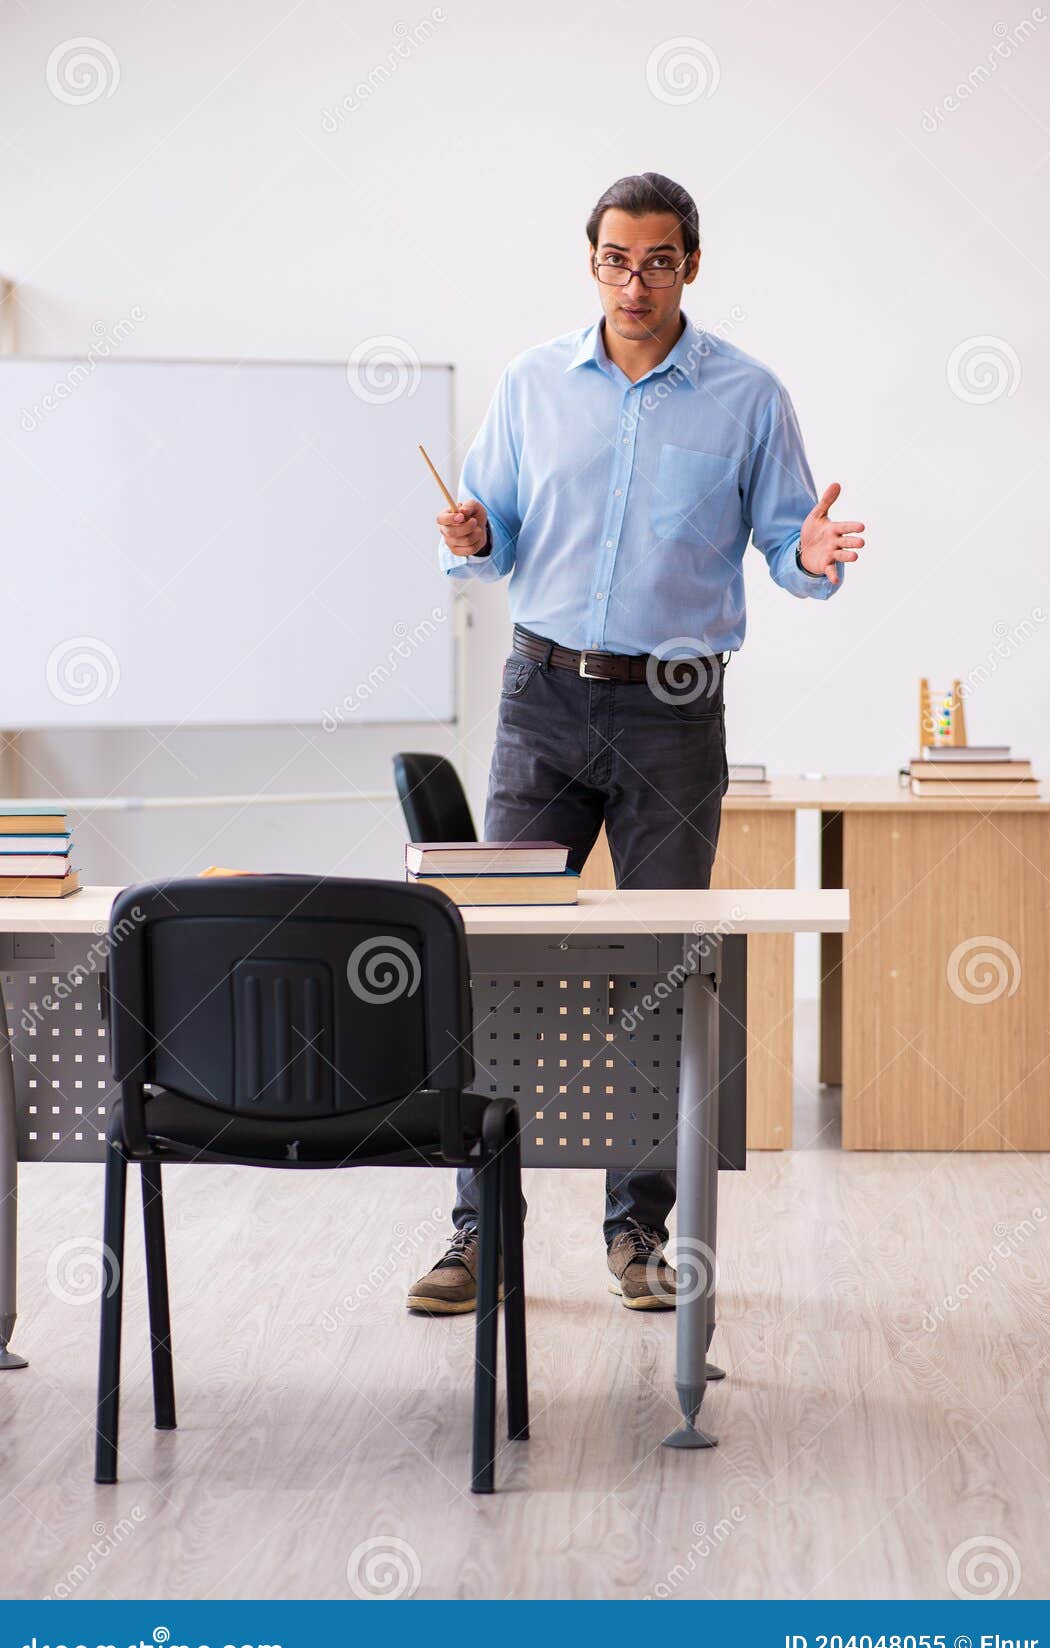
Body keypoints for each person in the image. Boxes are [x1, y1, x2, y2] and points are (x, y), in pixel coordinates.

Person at [406, 171, 864, 1317]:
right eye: (616, 258)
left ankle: (639, 1233)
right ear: (591, 262)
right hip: (542, 699)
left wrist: (812, 553)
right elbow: (489, 539)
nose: (635, 281)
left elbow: (787, 549)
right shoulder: (530, 383)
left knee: (657, 978)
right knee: (494, 961)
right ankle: (479, 1228)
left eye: (659, 259)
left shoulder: (748, 397)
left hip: (673, 712)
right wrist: (471, 533)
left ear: (691, 267)